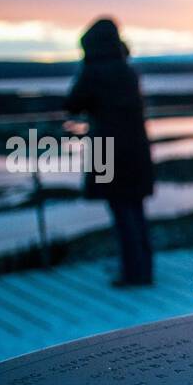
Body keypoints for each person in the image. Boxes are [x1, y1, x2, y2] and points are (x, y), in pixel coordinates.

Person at [66, 17, 156, 285]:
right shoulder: (128, 70)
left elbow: (72, 103)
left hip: (107, 150)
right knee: (136, 211)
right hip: (136, 149)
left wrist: (84, 69)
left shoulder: (93, 71)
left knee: (121, 212)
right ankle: (143, 269)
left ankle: (132, 272)